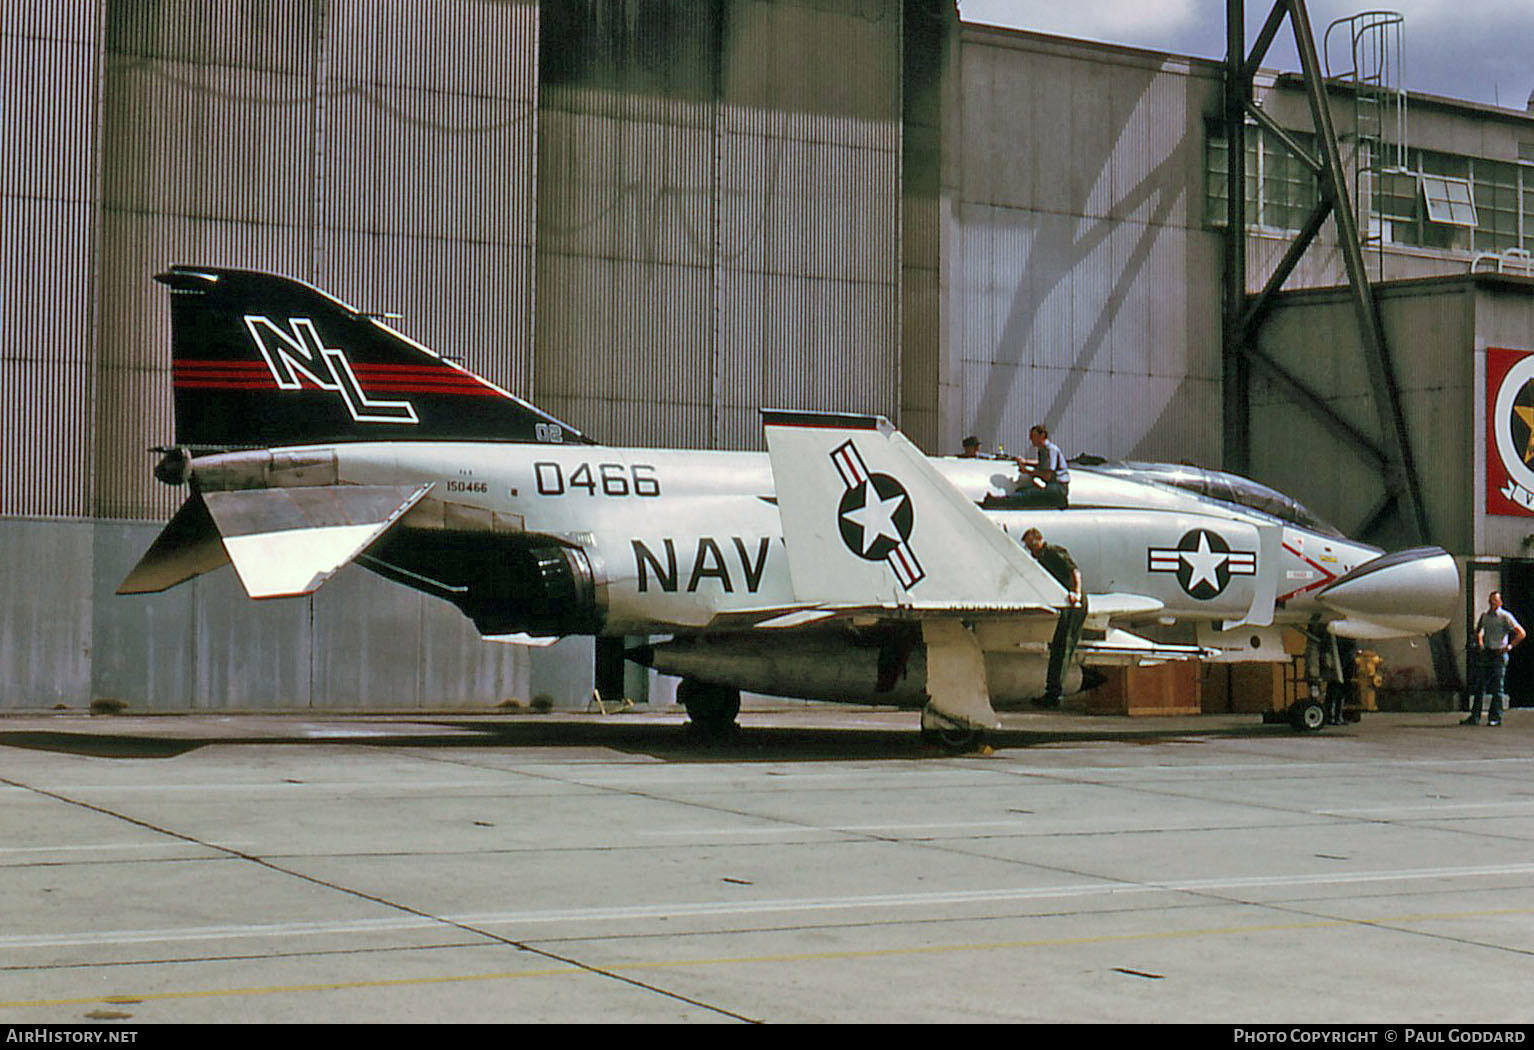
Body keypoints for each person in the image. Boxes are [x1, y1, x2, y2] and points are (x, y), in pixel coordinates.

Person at [1022, 527, 1086, 708]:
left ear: (1037, 540)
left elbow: (1074, 572)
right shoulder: (1041, 559)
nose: (1030, 551)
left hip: (1073, 602)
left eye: (1030, 545)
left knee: (1064, 645)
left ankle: (1054, 694)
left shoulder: (1053, 553)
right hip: (1065, 602)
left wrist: (1076, 593)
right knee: (1058, 645)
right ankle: (1052, 691)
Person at [1463, 591, 1525, 726]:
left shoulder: (1505, 617)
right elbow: (1479, 630)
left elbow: (1521, 633)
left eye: (1495, 601)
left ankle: (1495, 717)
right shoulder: (1485, 616)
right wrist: (1479, 642)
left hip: (1499, 653)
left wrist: (1509, 646)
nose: (1492, 603)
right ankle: (1475, 716)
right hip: (1487, 652)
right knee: (1479, 686)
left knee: (1497, 688)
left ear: (1500, 602)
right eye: (1490, 601)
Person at [1013, 424, 1070, 508]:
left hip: (1058, 488)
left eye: (1033, 436)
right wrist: (1026, 462)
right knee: (1023, 491)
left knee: (1026, 495)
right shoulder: (1044, 450)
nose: (1031, 439)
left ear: (1042, 436)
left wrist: (1027, 471)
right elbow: (1043, 464)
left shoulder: (1050, 450)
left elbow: (1047, 475)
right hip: (1054, 487)